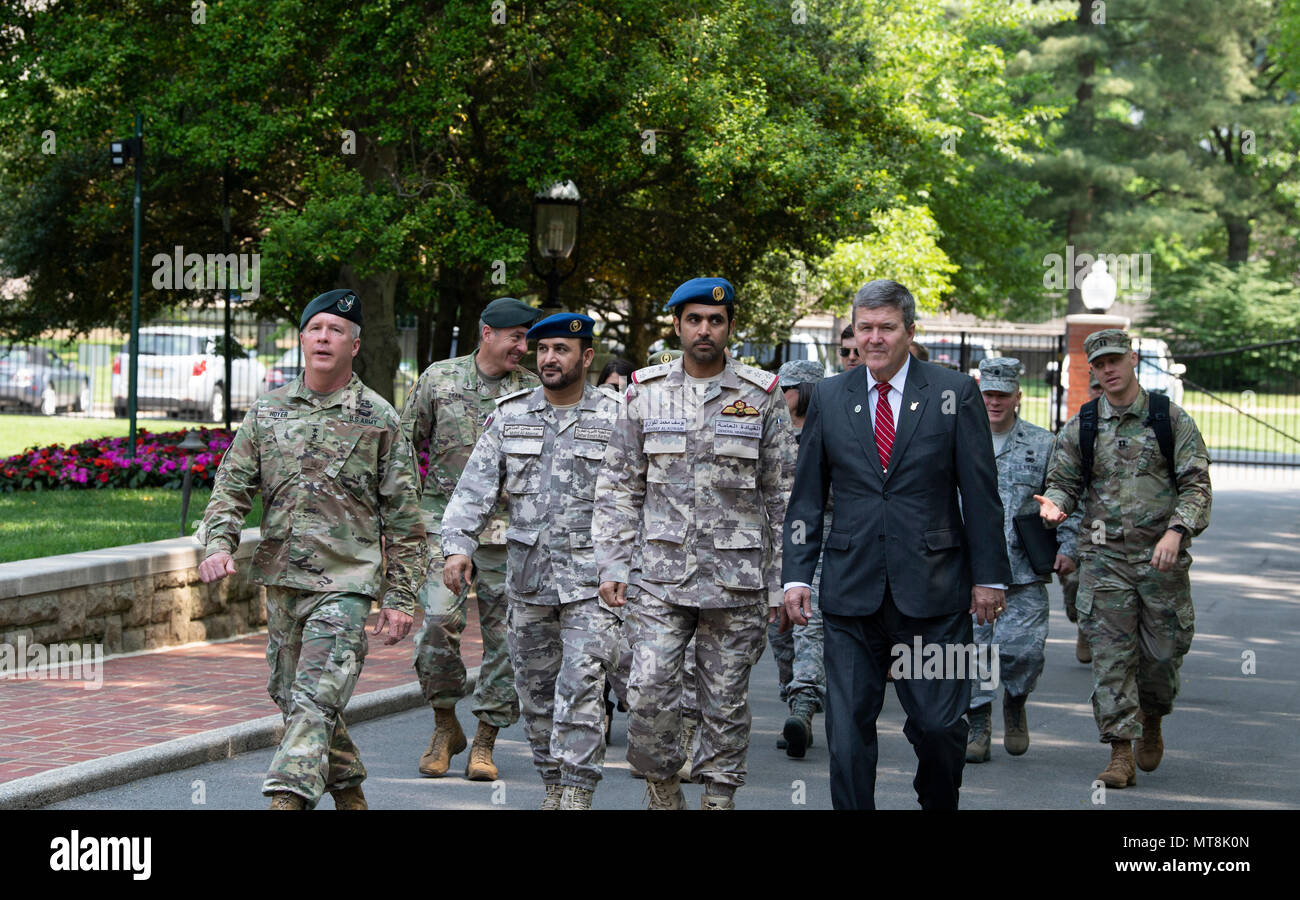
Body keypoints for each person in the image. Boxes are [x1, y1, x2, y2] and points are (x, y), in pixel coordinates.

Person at [783, 278, 1011, 810]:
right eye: (865, 328)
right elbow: (807, 496)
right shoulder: (831, 397)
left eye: (887, 327)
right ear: (854, 332)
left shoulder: (955, 392)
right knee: (846, 736)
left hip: (934, 595)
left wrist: (989, 577)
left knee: (938, 728)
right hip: (850, 594)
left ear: (910, 330)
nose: (875, 338)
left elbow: (980, 494)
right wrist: (796, 574)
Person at [196, 289, 427, 810]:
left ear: (355, 344)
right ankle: (350, 793)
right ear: (302, 339)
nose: (325, 337)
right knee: (293, 696)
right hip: (281, 581)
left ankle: (286, 798)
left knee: (317, 693)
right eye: (316, 328)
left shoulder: (379, 418)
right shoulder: (268, 410)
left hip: (346, 585)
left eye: (336, 330)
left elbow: (407, 522)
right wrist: (218, 543)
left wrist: (400, 597)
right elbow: (230, 490)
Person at [594, 277, 794, 810]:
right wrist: (611, 562)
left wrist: (782, 584)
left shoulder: (760, 396)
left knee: (725, 702)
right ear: (678, 325)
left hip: (738, 582)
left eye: (716, 320)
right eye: (694, 319)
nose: (705, 329)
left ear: (730, 327)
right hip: (658, 577)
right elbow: (618, 485)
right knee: (650, 689)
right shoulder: (645, 392)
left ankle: (719, 799)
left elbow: (782, 495)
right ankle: (663, 788)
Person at [439, 313, 622, 810]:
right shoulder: (512, 413)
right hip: (529, 581)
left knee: (581, 687)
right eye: (542, 349)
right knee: (537, 698)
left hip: (594, 583)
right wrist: (458, 545)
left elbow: (640, 492)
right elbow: (474, 487)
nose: (549, 358)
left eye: (561, 349)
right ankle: (553, 786)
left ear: (585, 357)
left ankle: (578, 792)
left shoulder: (617, 414)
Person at [1036, 328, 1211, 789]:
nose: (1108, 369)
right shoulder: (1084, 425)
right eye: (1099, 363)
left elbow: (1196, 485)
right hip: (1104, 560)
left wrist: (1176, 531)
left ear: (1132, 358)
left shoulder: (1169, 420)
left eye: (1115, 359)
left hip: (1161, 562)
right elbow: (1065, 482)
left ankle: (1152, 715)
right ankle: (1119, 752)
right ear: (1091, 369)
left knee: (1161, 657)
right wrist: (1056, 504)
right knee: (1113, 658)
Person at [401, 296, 542, 781]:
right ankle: (445, 726)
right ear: (487, 333)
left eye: (528, 338)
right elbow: (402, 449)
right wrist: (400, 523)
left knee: (507, 642)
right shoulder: (438, 379)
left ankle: (484, 741)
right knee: (437, 627)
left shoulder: (533, 390)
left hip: (512, 534)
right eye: (516, 337)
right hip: (444, 526)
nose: (525, 347)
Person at [965, 357, 1079, 763]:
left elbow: (1067, 497)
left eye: (1002, 395)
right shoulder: (959, 437)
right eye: (988, 395)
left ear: (1018, 396)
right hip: (970, 570)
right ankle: (977, 724)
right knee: (973, 653)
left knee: (1023, 652)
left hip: (1024, 570)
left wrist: (1068, 545)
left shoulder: (1043, 443)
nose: (994, 402)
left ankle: (1015, 699)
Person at [767, 359, 828, 758]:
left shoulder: (831, 433)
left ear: (803, 390)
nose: (779, 397)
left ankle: (805, 706)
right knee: (780, 632)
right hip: (774, 546)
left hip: (817, 547)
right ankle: (795, 704)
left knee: (809, 624)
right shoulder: (772, 433)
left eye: (785, 389)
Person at [1060, 372, 1104, 664]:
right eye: (1096, 386)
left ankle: (1099, 634)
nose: (1101, 392)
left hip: (1117, 526)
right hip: (1080, 520)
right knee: (1075, 584)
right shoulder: (1080, 427)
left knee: (1106, 586)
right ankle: (1084, 624)